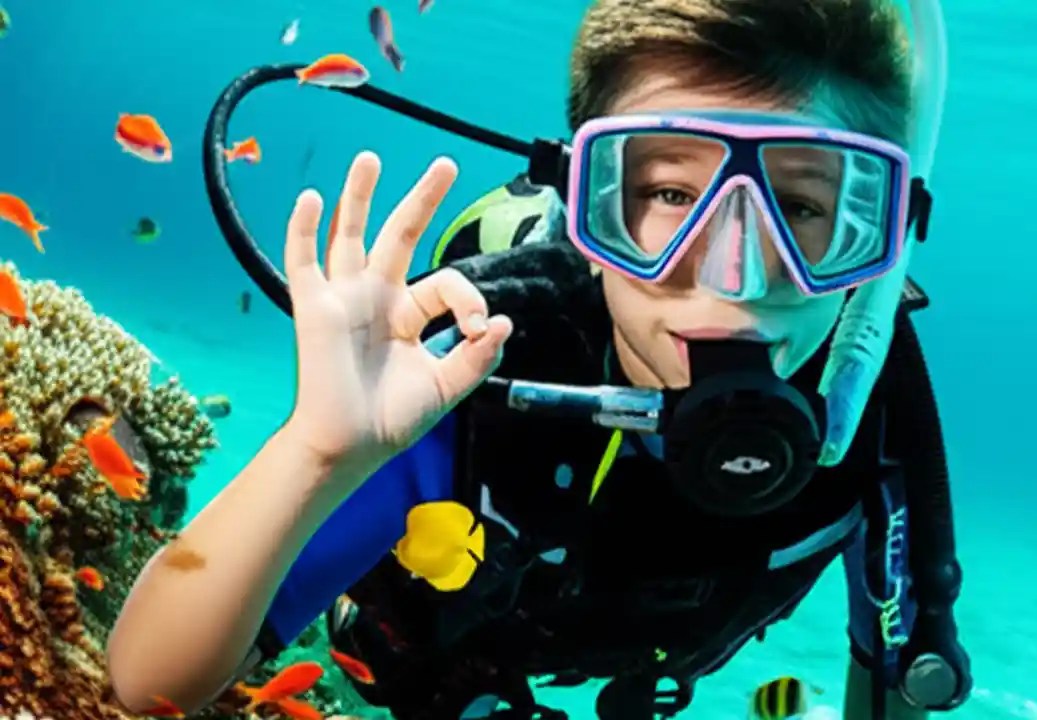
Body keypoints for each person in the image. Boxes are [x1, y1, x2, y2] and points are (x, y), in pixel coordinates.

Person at [107, 0, 972, 718]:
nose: (735, 273)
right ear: (587, 218)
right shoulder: (479, 364)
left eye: (803, 204)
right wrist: (319, 452)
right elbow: (148, 682)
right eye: (670, 194)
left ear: (883, 238)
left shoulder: (877, 409)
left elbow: (892, 684)